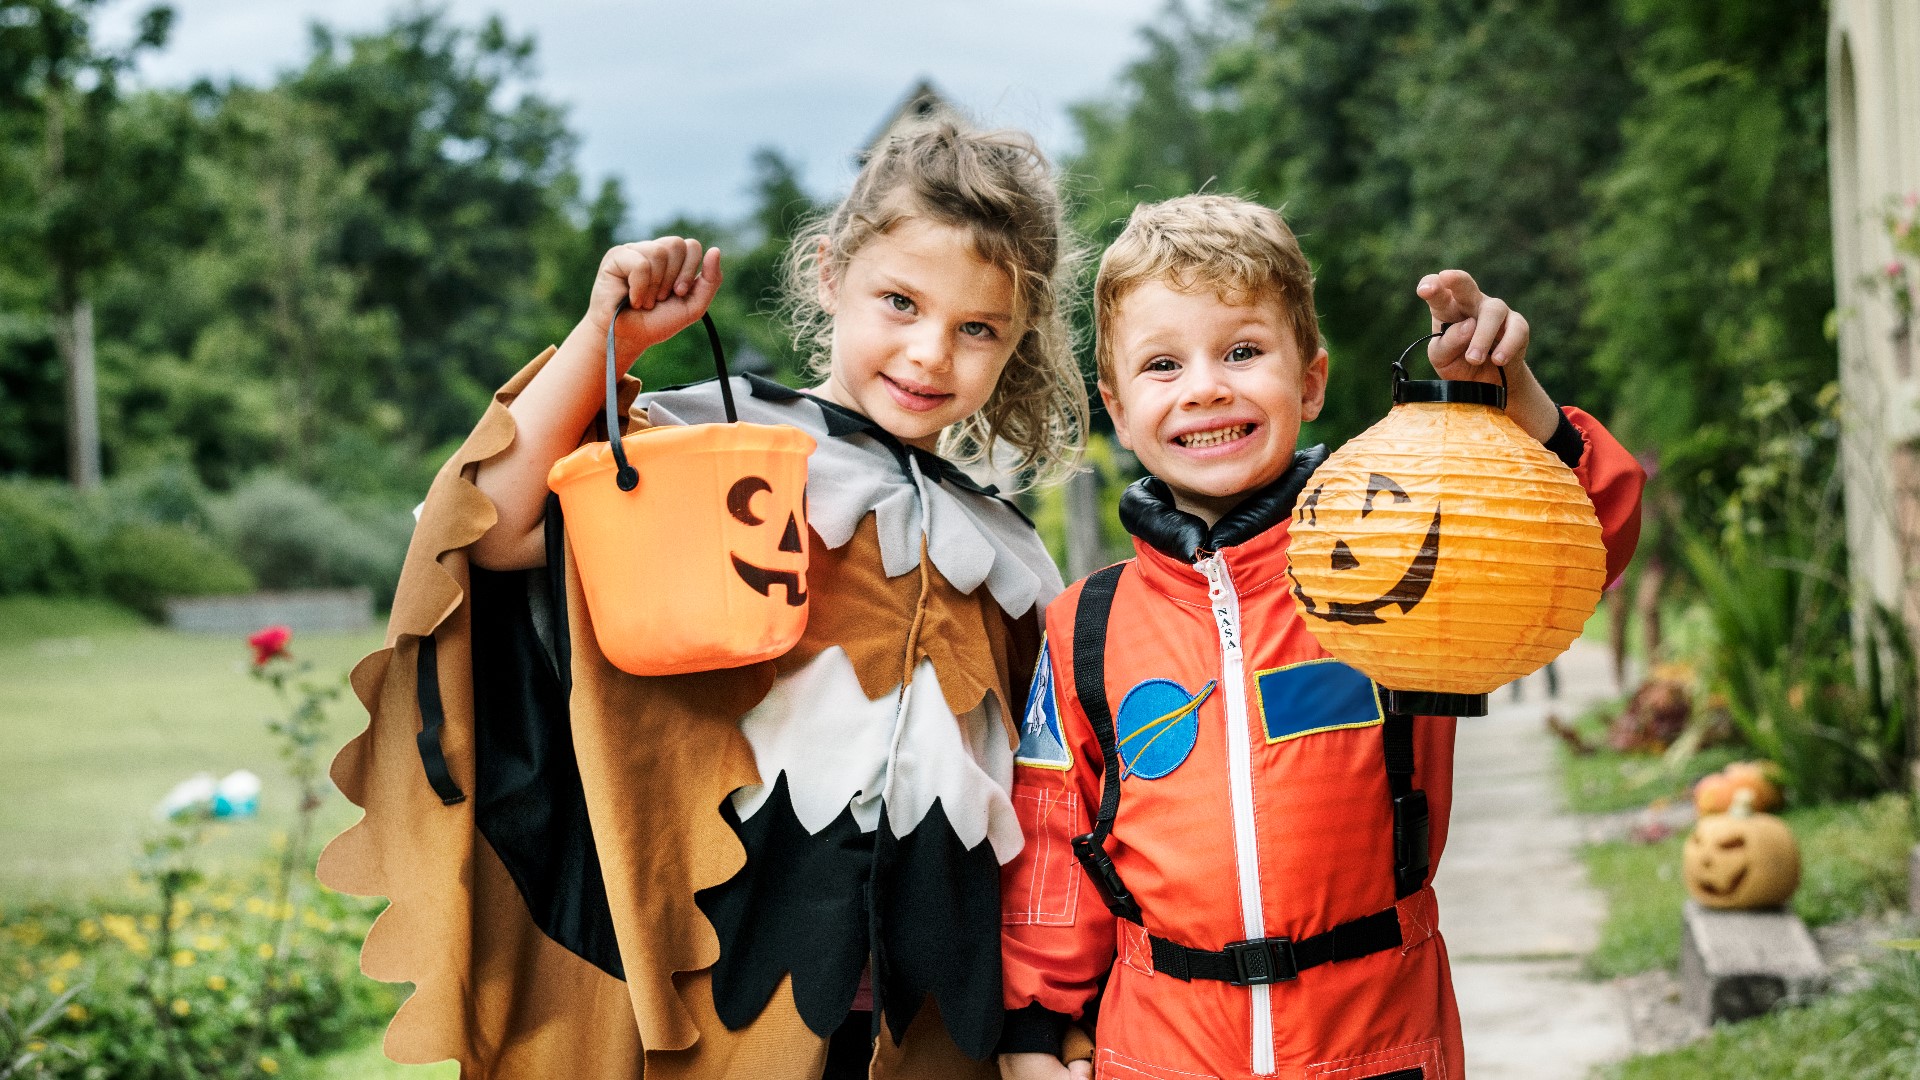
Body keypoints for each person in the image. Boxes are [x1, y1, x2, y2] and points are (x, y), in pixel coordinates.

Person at [318, 118, 1089, 1080]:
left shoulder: (1010, 559)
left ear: (1019, 338)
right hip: (717, 977)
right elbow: (489, 528)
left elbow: (1048, 811)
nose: (931, 353)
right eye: (899, 301)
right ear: (827, 273)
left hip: (926, 1011)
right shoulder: (716, 451)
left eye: (978, 329)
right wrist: (607, 337)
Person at [996, 195, 1645, 1080]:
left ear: (1310, 381)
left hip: (1378, 1037)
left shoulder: (1400, 561)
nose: (1205, 386)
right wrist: (1035, 1028)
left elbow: (1590, 536)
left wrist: (1510, 400)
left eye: (1242, 352)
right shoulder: (1087, 625)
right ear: (1115, 403)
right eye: (1162, 364)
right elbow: (1052, 839)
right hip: (1161, 1047)